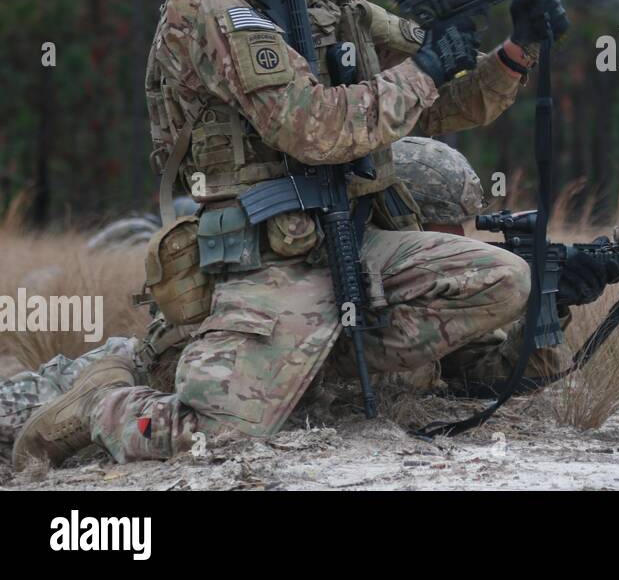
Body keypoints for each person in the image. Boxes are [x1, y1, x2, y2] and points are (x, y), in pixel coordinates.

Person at [11, 0, 602, 471]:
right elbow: (313, 129)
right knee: (212, 440)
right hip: (262, 261)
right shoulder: (208, 4)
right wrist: (426, 69)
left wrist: (516, 51)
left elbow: (449, 101)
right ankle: (98, 403)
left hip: (348, 235)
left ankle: (320, 378)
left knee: (501, 279)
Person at [2, 137, 572, 466]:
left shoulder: (426, 293)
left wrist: (549, 313)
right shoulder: (316, 273)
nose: (459, 244)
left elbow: (485, 378)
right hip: (146, 371)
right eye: (448, 229)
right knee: (13, 408)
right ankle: (94, 401)